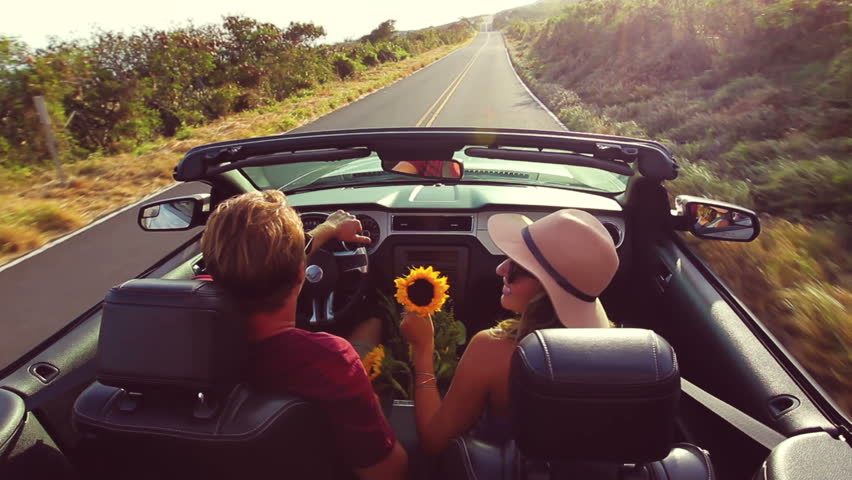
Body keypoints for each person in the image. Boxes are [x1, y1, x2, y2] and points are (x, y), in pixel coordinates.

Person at [199, 190, 408, 479]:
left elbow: (244, 267)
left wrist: (325, 230)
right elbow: (391, 472)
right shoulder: (329, 360)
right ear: (303, 273)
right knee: (370, 324)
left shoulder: (182, 332)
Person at [400, 209, 619, 455]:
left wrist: (423, 350)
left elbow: (434, 442)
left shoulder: (492, 350)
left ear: (546, 291)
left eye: (518, 267)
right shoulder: (621, 357)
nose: (501, 270)